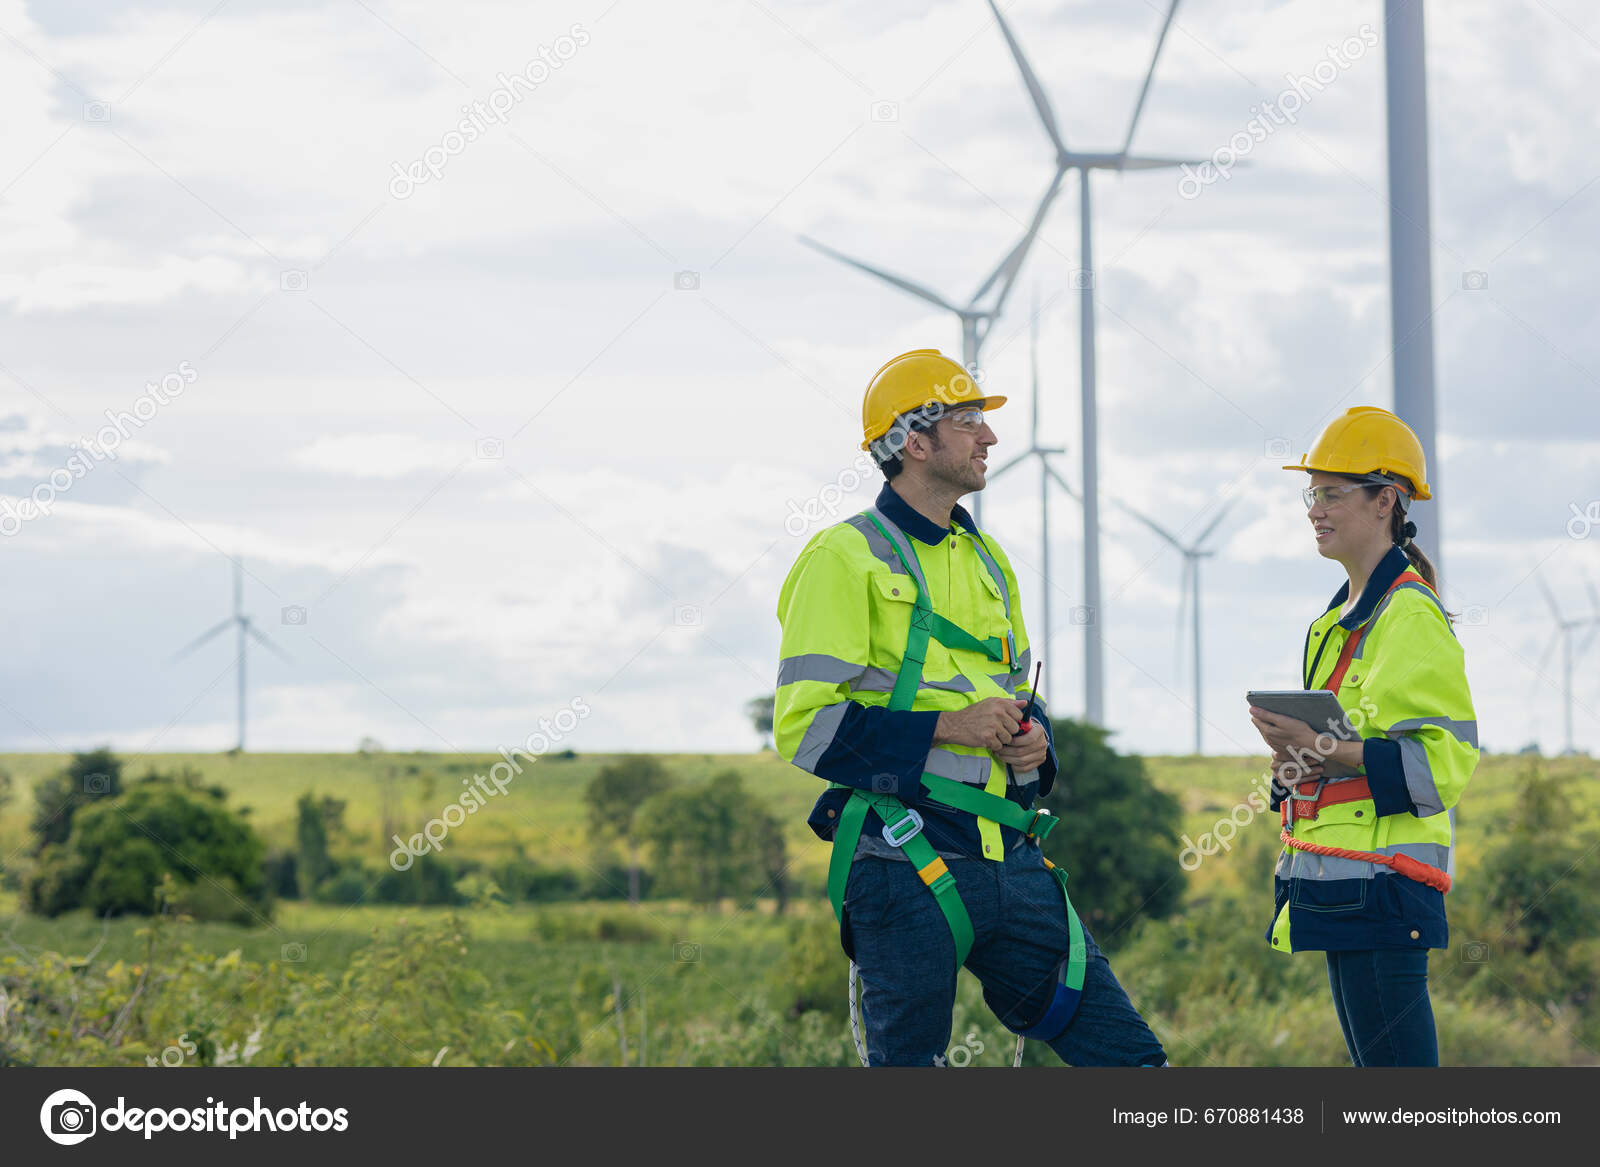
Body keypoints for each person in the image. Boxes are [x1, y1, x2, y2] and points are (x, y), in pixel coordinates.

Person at [773, 349, 1167, 1067]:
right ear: (914, 442)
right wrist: (950, 727)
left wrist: (1036, 740)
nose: (989, 438)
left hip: (1009, 854)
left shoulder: (989, 559)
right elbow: (806, 729)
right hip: (902, 857)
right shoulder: (842, 557)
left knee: (1132, 1059)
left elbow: (1018, 692)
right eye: (967, 422)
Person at [1249, 406, 1479, 1067]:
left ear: (1386, 501)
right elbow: (1347, 748)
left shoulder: (1408, 613)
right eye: (1312, 494)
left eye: (1332, 493)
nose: (1315, 510)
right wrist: (1296, 761)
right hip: (1341, 886)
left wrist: (1325, 751)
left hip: (1385, 887)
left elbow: (1442, 764)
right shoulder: (1334, 621)